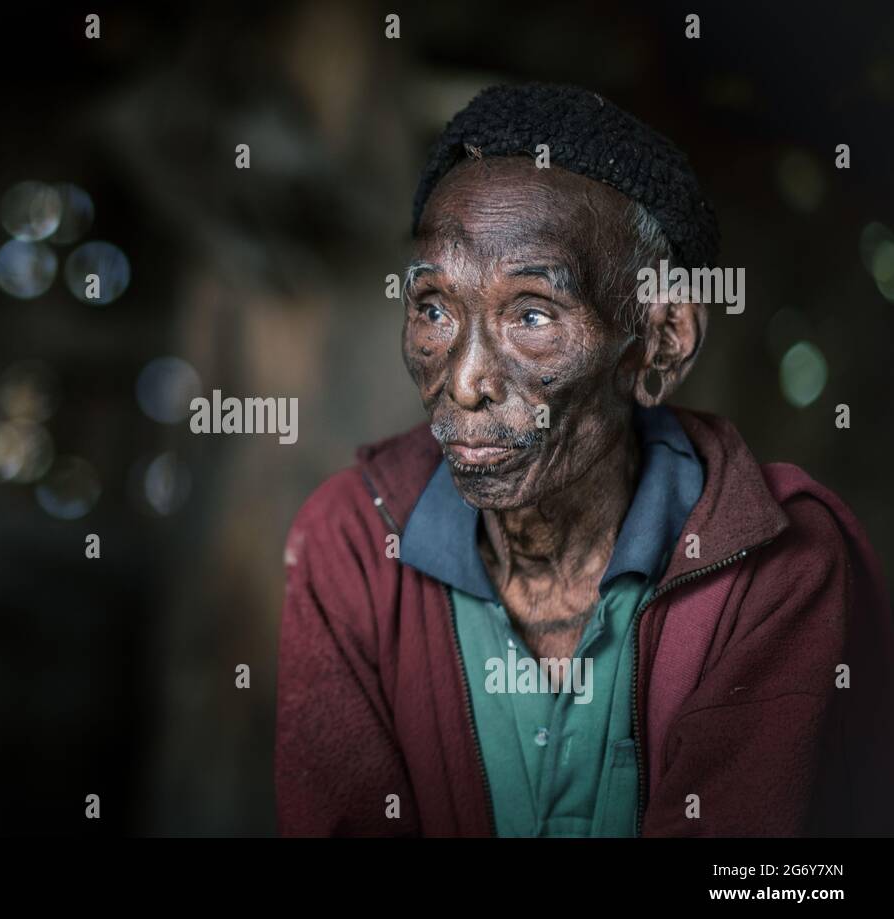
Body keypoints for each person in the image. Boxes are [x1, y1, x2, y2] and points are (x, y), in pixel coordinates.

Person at [275, 82, 894, 837]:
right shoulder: (353, 541)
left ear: (661, 341)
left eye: (531, 313)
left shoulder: (774, 562)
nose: (465, 381)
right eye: (434, 308)